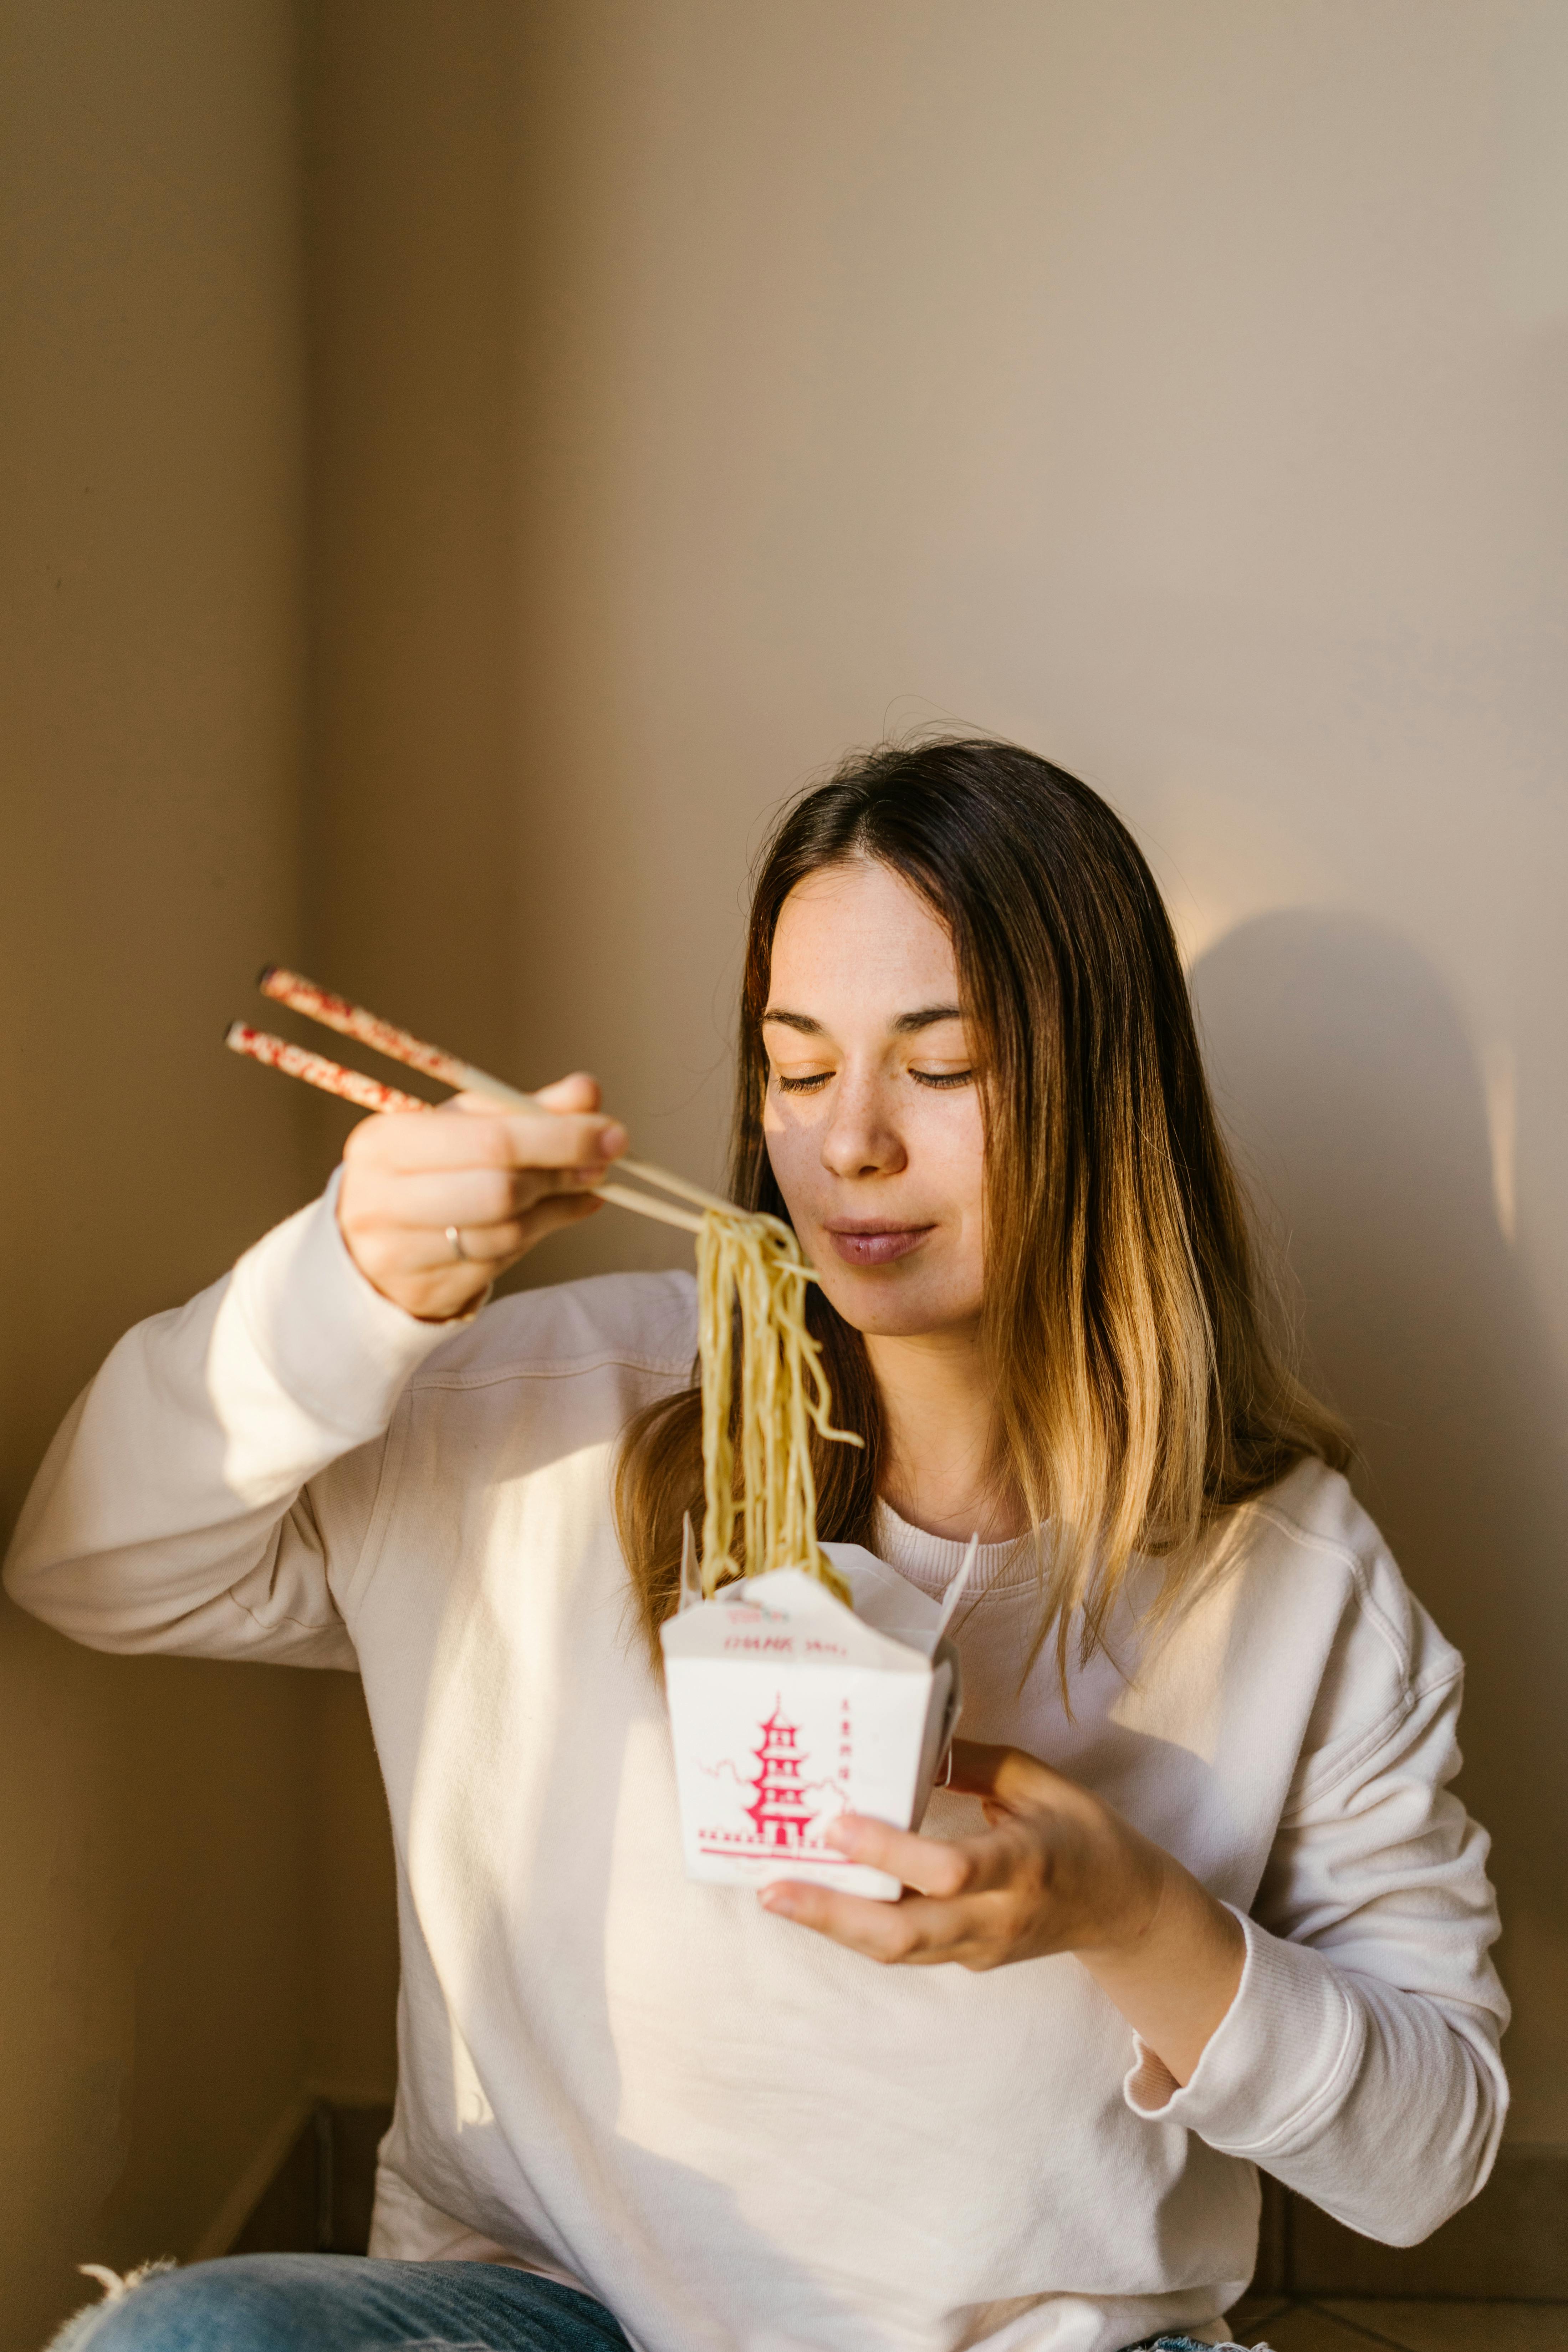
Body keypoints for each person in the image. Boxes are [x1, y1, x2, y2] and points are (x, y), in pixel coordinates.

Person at [8, 739, 1506, 2352]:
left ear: (1104, 1089)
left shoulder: (1288, 1574)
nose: (848, 1141)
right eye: (798, 1066)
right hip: (553, 2315)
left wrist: (1121, 1907)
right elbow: (89, 1561)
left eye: (940, 1065)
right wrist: (349, 1278)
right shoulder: (553, 1409)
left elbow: (1427, 2156)